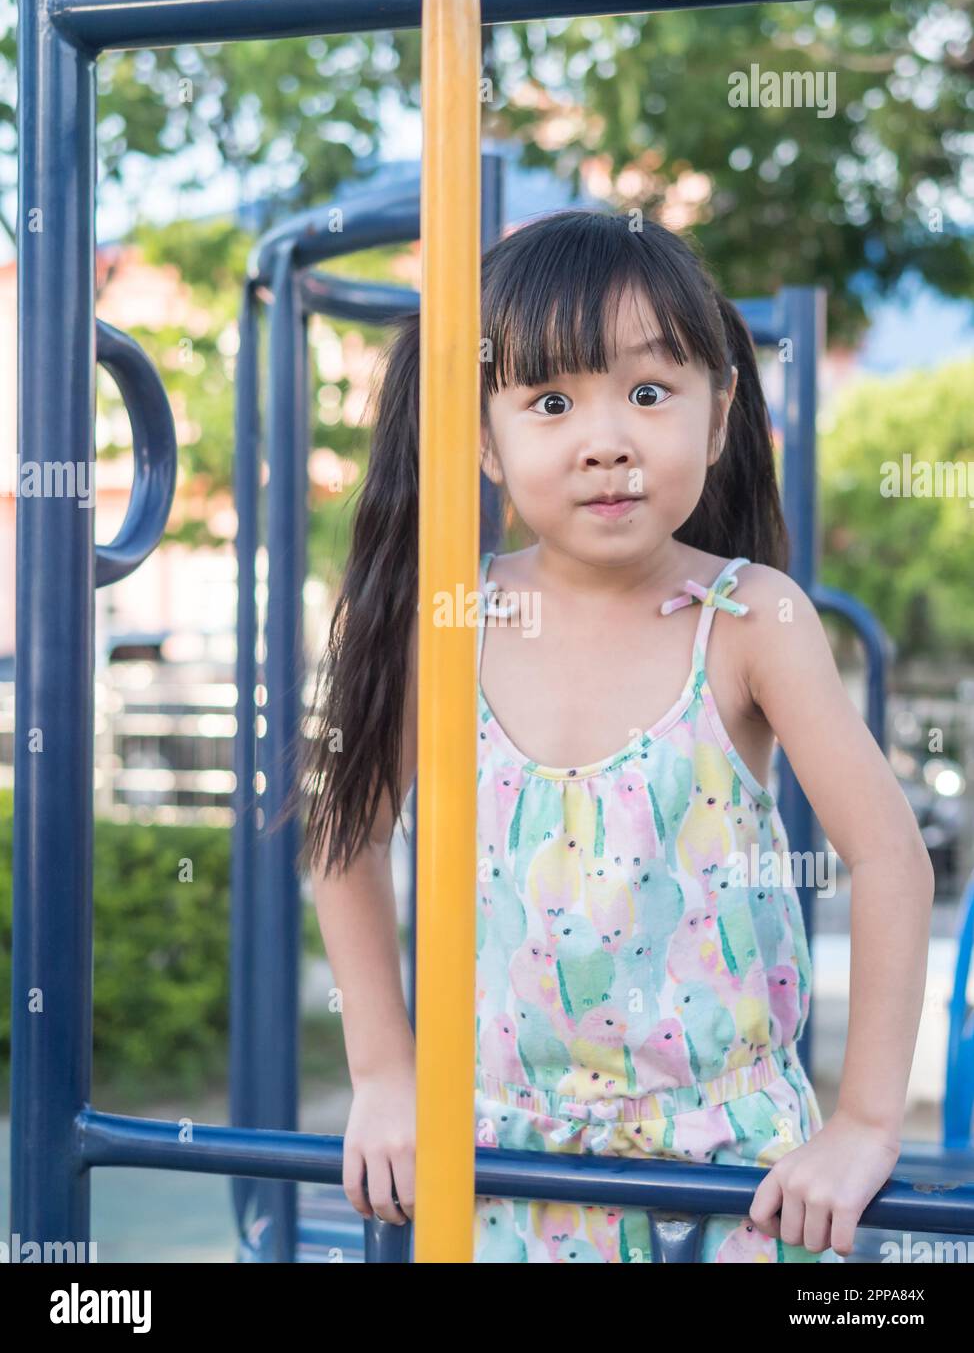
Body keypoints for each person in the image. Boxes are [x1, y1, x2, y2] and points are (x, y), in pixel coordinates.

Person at [298, 209, 934, 1263]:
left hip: (727, 1165)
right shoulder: (447, 621)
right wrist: (383, 1072)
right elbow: (345, 835)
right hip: (500, 1158)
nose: (606, 439)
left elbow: (887, 860)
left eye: (647, 393)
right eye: (550, 401)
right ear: (481, 438)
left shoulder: (747, 620)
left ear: (718, 416)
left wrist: (863, 1121)